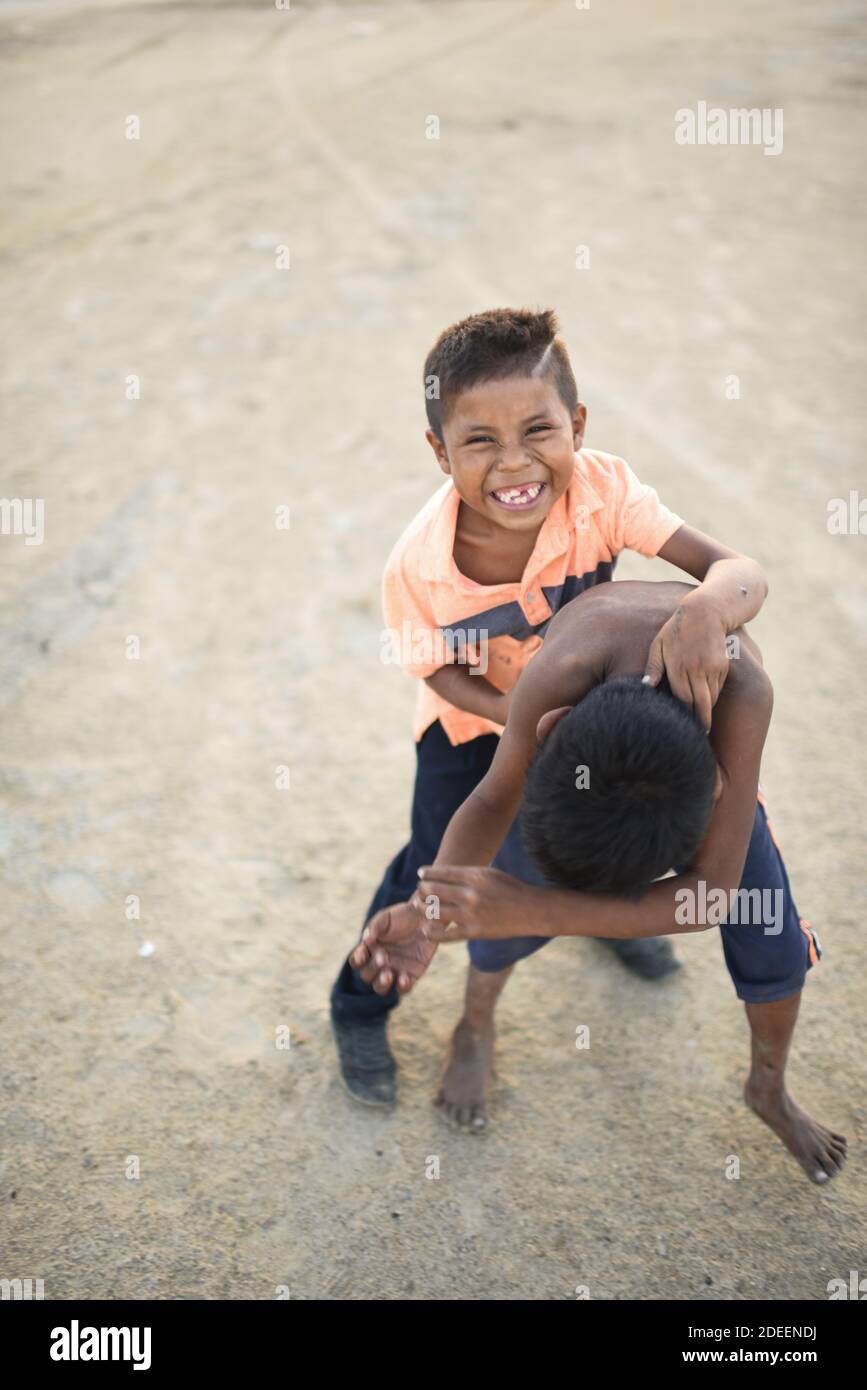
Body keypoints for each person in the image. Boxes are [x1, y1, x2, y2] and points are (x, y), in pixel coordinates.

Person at [332, 305, 769, 1107]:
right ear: (439, 452)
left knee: (606, 834)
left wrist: (709, 607)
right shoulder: (420, 568)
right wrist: (520, 720)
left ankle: (609, 919)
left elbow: (738, 569)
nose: (513, 464)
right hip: (475, 732)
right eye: (479, 441)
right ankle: (364, 1005)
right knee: (434, 858)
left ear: (576, 423)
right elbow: (435, 672)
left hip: (585, 734)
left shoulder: (602, 490)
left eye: (538, 431)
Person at [354, 581, 846, 1185]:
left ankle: (768, 1088)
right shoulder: (558, 673)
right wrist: (430, 912)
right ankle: (475, 1021)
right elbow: (489, 801)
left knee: (771, 937)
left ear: (717, 785)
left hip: (684, 787)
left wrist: (539, 910)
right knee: (502, 904)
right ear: (549, 729)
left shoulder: (743, 696)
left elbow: (712, 895)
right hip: (608, 779)